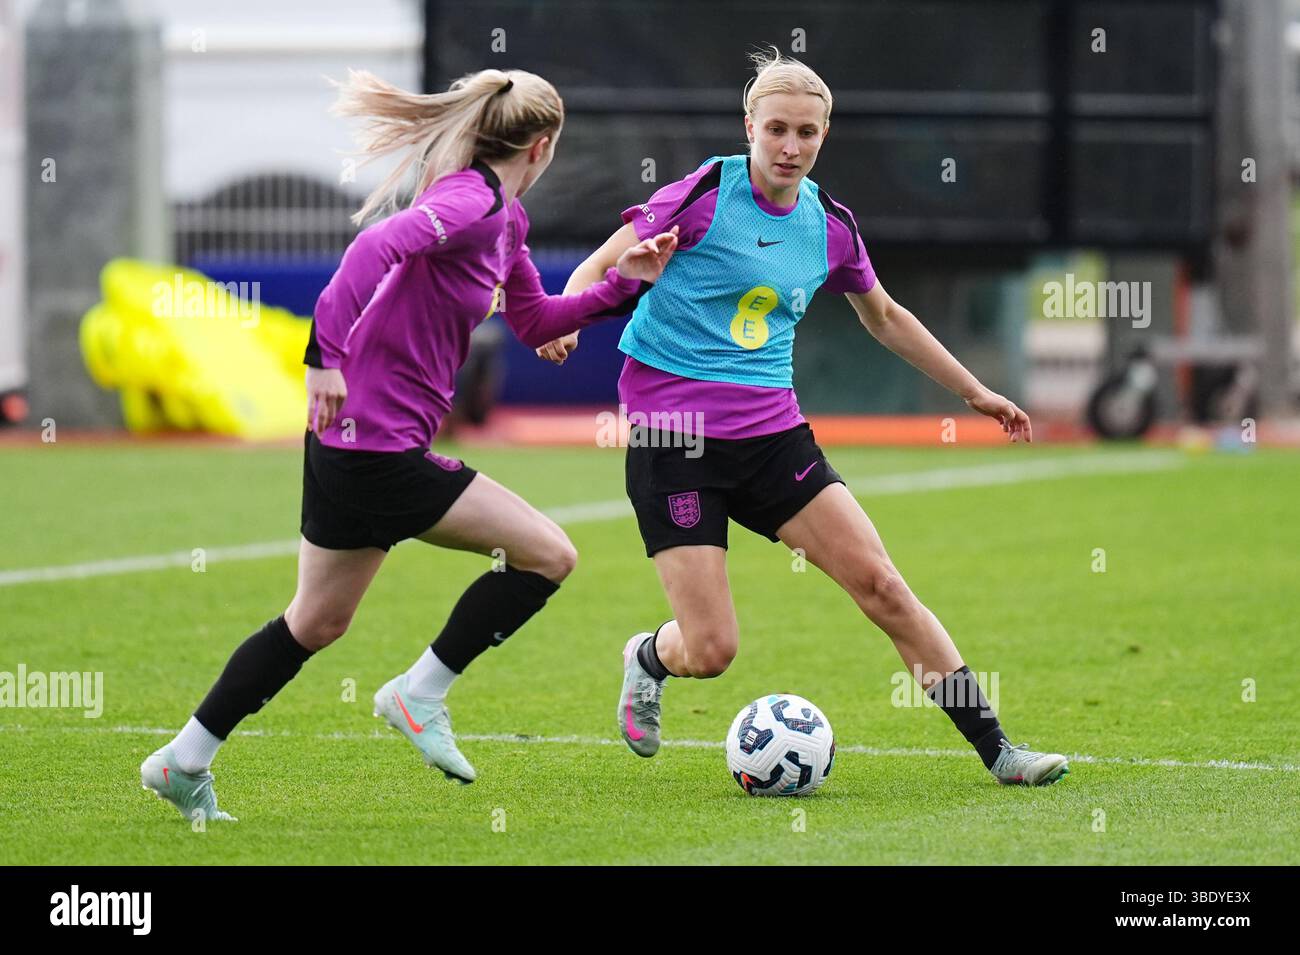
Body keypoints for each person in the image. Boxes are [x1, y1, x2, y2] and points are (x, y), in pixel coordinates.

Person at [140, 66, 679, 821]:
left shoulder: (503, 218)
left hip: (351, 442)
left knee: (316, 621)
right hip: (375, 444)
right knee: (549, 555)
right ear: (544, 144)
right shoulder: (468, 200)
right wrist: (322, 357)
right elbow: (371, 252)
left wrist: (628, 283)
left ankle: (184, 758)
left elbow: (535, 322)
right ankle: (419, 692)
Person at [539, 49, 1069, 786]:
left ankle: (1001, 751)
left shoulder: (830, 226)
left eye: (807, 133)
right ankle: (649, 656)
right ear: (749, 125)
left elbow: (884, 317)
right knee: (712, 648)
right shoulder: (701, 196)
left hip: (773, 438)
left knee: (883, 586)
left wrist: (975, 390)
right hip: (675, 442)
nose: (791, 147)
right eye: (777, 129)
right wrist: (563, 320)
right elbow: (598, 266)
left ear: (825, 135)